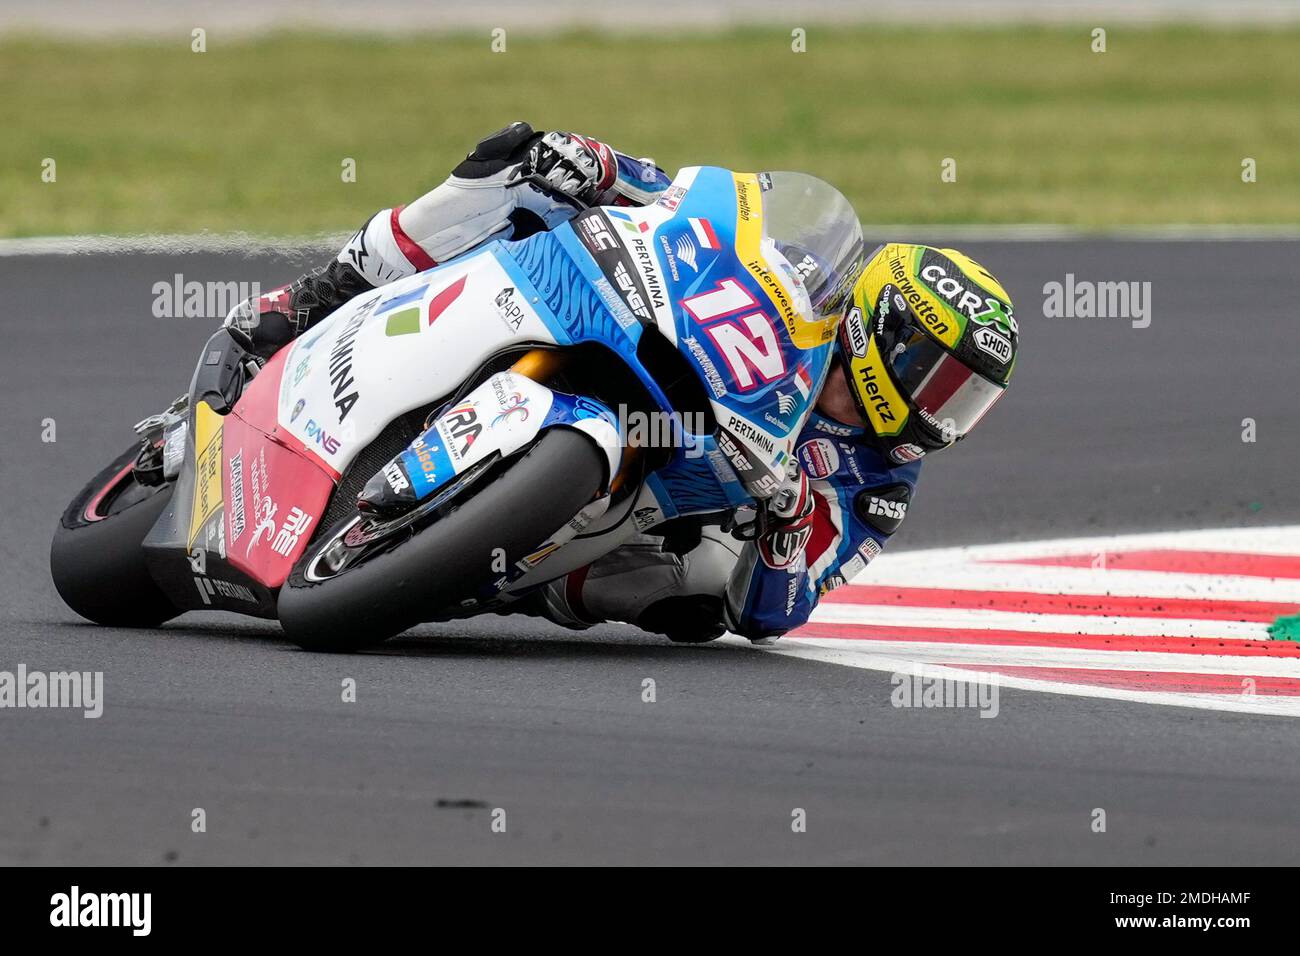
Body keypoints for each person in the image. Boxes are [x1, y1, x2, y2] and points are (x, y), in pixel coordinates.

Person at [224, 122, 1020, 645]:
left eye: (968, 398)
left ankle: (520, 573)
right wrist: (603, 166)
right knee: (520, 165)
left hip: (658, 498)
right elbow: (690, 209)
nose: (944, 409)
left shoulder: (880, 481)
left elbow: (777, 613)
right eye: (942, 379)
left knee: (706, 586)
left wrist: (784, 518)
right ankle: (318, 296)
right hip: (635, 338)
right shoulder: (808, 289)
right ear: (886, 330)